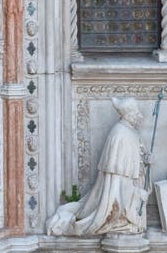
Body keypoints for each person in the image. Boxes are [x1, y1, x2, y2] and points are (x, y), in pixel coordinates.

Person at [47, 97, 149, 236]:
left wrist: (146, 160)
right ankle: (121, 220)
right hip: (123, 200)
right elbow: (117, 184)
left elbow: (137, 163)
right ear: (128, 115)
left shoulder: (130, 131)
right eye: (136, 113)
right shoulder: (120, 134)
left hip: (131, 193)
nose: (139, 116)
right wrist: (136, 194)